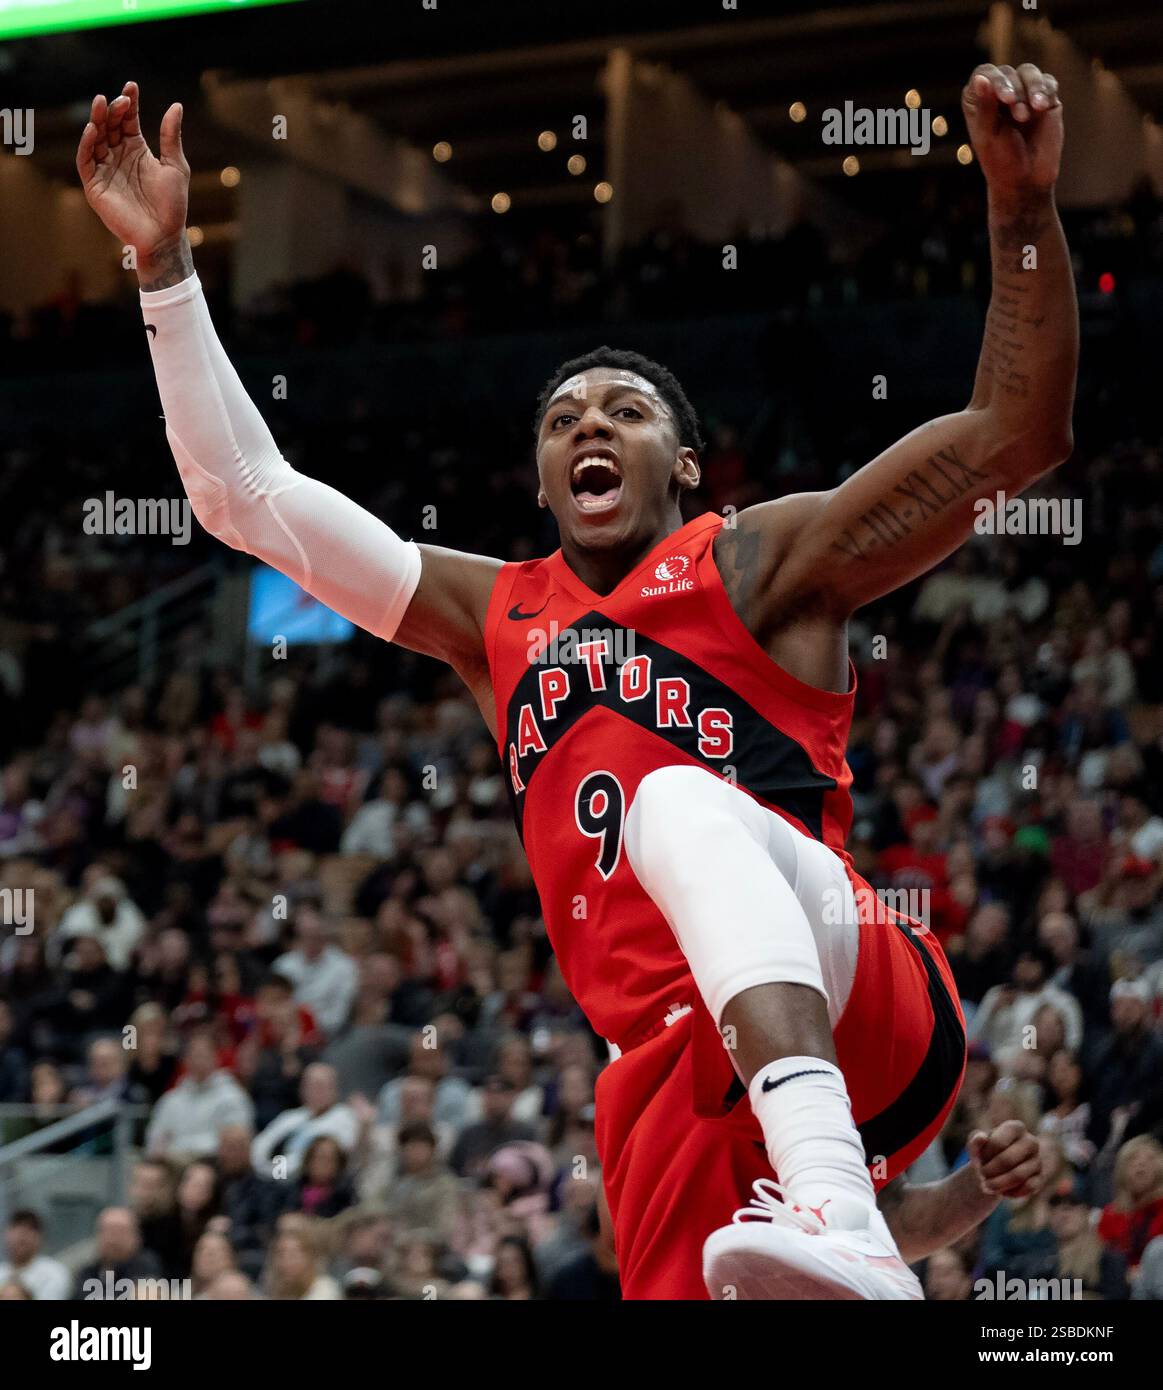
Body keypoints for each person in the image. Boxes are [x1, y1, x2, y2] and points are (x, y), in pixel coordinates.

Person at [76, 63, 1074, 1300]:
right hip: (661, 1073)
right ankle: (831, 1203)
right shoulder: (492, 615)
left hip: (853, 974)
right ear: (543, 481)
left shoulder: (759, 560)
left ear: (687, 462)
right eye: (561, 420)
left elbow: (1011, 437)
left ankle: (821, 1180)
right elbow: (245, 498)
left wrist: (1021, 210)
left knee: (672, 801)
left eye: (625, 409)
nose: (588, 426)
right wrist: (166, 274)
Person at [144, 1028, 254, 1159]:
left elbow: (235, 1142)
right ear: (186, 1059)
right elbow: (155, 1139)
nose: (198, 1060)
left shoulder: (233, 1096)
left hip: (214, 1163)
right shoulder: (171, 1099)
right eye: (194, 1055)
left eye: (203, 1054)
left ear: (216, 1057)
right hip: (172, 1164)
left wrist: (182, 1149)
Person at [250, 1062, 358, 1180]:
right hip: (271, 1179)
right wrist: (271, 1171)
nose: (314, 1091)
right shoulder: (290, 1116)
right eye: (309, 1085)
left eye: (320, 1085)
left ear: (334, 1089)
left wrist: (274, 1171)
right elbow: (259, 1146)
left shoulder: (344, 1118)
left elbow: (311, 1161)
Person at [0, 1210, 70, 1301]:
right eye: (17, 1227)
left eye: (30, 1229)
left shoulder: (54, 1273)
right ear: (6, 1234)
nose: (22, 1235)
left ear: (40, 1237)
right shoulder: (1, 1271)